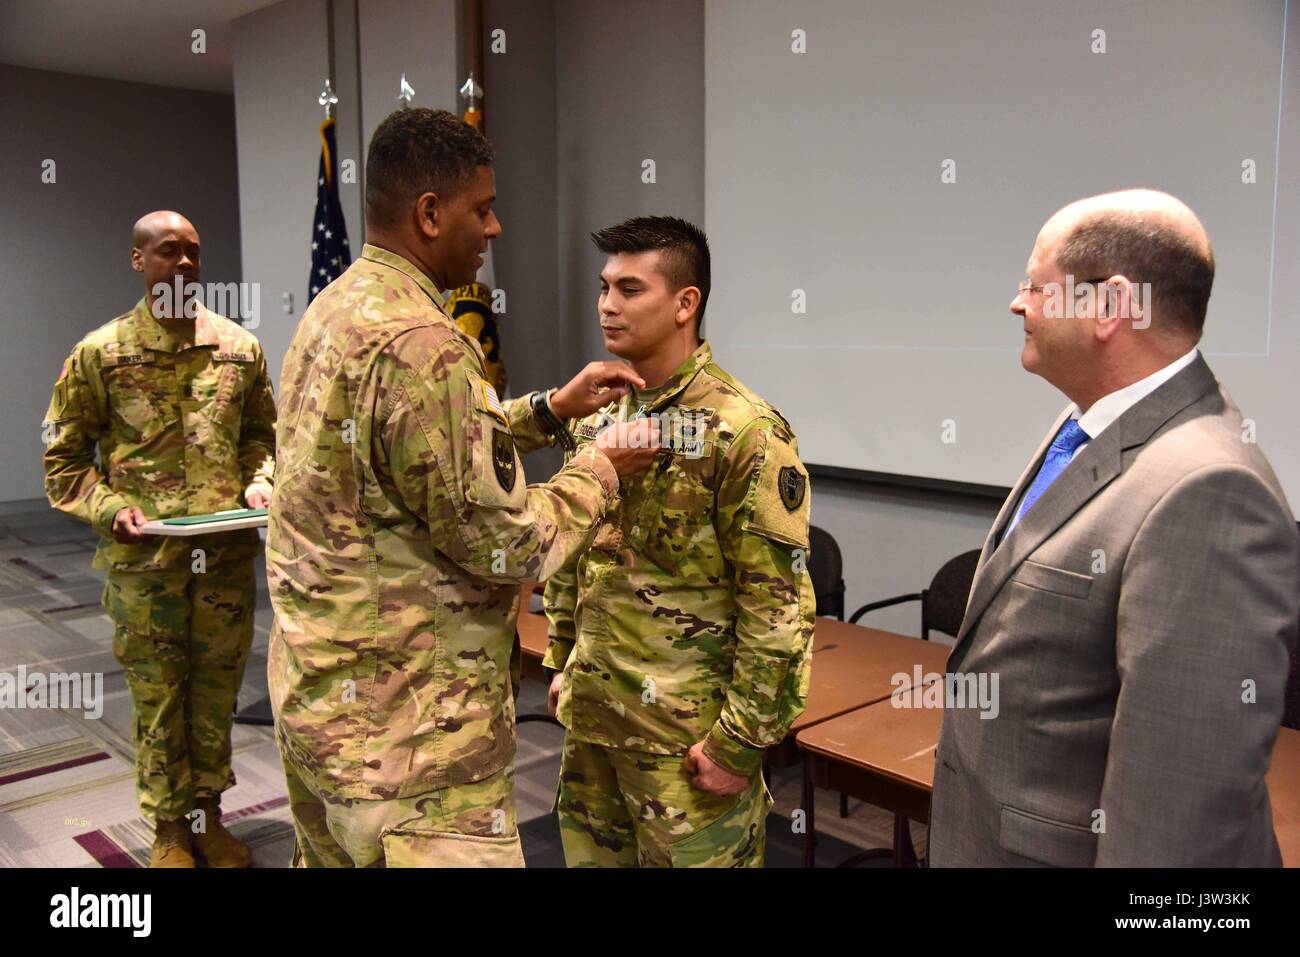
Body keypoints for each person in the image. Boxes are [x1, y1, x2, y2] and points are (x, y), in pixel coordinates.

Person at [267, 108, 659, 868]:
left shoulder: (335, 310)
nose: (496, 227)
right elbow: (511, 544)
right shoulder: (425, 343)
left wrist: (549, 410)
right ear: (428, 213)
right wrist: (602, 467)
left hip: (323, 712)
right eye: (482, 208)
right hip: (414, 754)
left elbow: (413, 458)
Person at [928, 189, 1299, 867]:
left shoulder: (1211, 490)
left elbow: (1178, 819)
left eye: (1035, 287)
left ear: (1109, 306)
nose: (1018, 304)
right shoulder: (1089, 426)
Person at [543, 215, 816, 867]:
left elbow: (777, 610)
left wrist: (739, 743)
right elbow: (573, 554)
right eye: (604, 286)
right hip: (594, 731)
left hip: (684, 750)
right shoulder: (600, 415)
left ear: (685, 303)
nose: (608, 303)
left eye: (630, 289)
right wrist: (560, 655)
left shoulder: (745, 430)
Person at [43, 211, 277, 867]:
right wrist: (109, 505)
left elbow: (266, 438)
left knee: (213, 695)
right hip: (146, 565)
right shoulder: (102, 353)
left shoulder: (237, 348)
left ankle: (209, 819)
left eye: (193, 253)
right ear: (137, 260)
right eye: (168, 251)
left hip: (223, 558)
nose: (183, 264)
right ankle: (168, 828)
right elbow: (63, 461)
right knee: (159, 696)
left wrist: (262, 482)